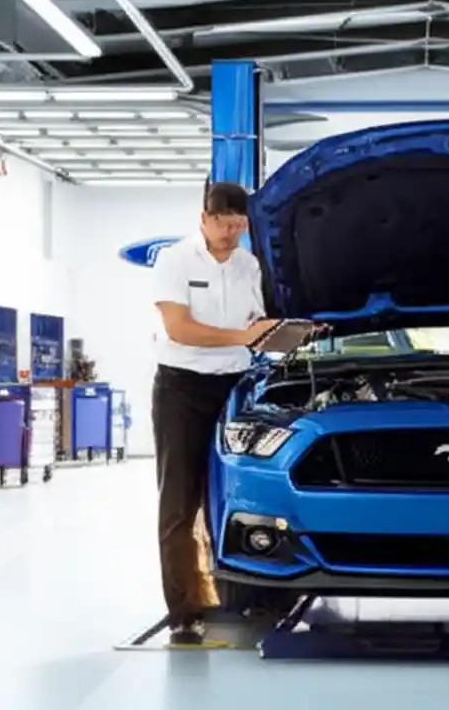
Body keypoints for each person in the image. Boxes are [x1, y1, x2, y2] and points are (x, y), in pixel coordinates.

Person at [151, 181, 279, 645]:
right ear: (203, 218)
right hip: (182, 388)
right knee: (180, 502)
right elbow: (179, 328)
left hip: (235, 388)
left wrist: (286, 334)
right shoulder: (175, 259)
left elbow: (254, 326)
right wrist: (243, 338)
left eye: (239, 225)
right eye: (223, 223)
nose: (231, 233)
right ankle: (184, 610)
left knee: (238, 492)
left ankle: (247, 595)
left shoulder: (249, 264)